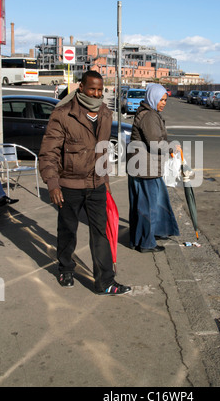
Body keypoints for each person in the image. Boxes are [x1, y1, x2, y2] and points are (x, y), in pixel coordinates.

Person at [38, 70, 131, 295]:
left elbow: (103, 152)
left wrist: (105, 181)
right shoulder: (63, 114)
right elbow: (48, 152)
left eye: (100, 90)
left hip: (96, 185)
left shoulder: (106, 114)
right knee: (68, 230)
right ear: (81, 88)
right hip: (68, 187)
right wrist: (53, 183)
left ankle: (105, 282)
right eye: (92, 88)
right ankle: (66, 268)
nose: (97, 93)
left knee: (101, 234)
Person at [127, 83, 180, 253]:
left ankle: (149, 235)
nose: (163, 103)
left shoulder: (149, 113)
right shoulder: (149, 116)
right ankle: (145, 243)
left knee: (151, 204)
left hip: (144, 167)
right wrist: (172, 147)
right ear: (153, 98)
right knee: (147, 207)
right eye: (161, 99)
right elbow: (156, 144)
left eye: (165, 100)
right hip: (145, 168)